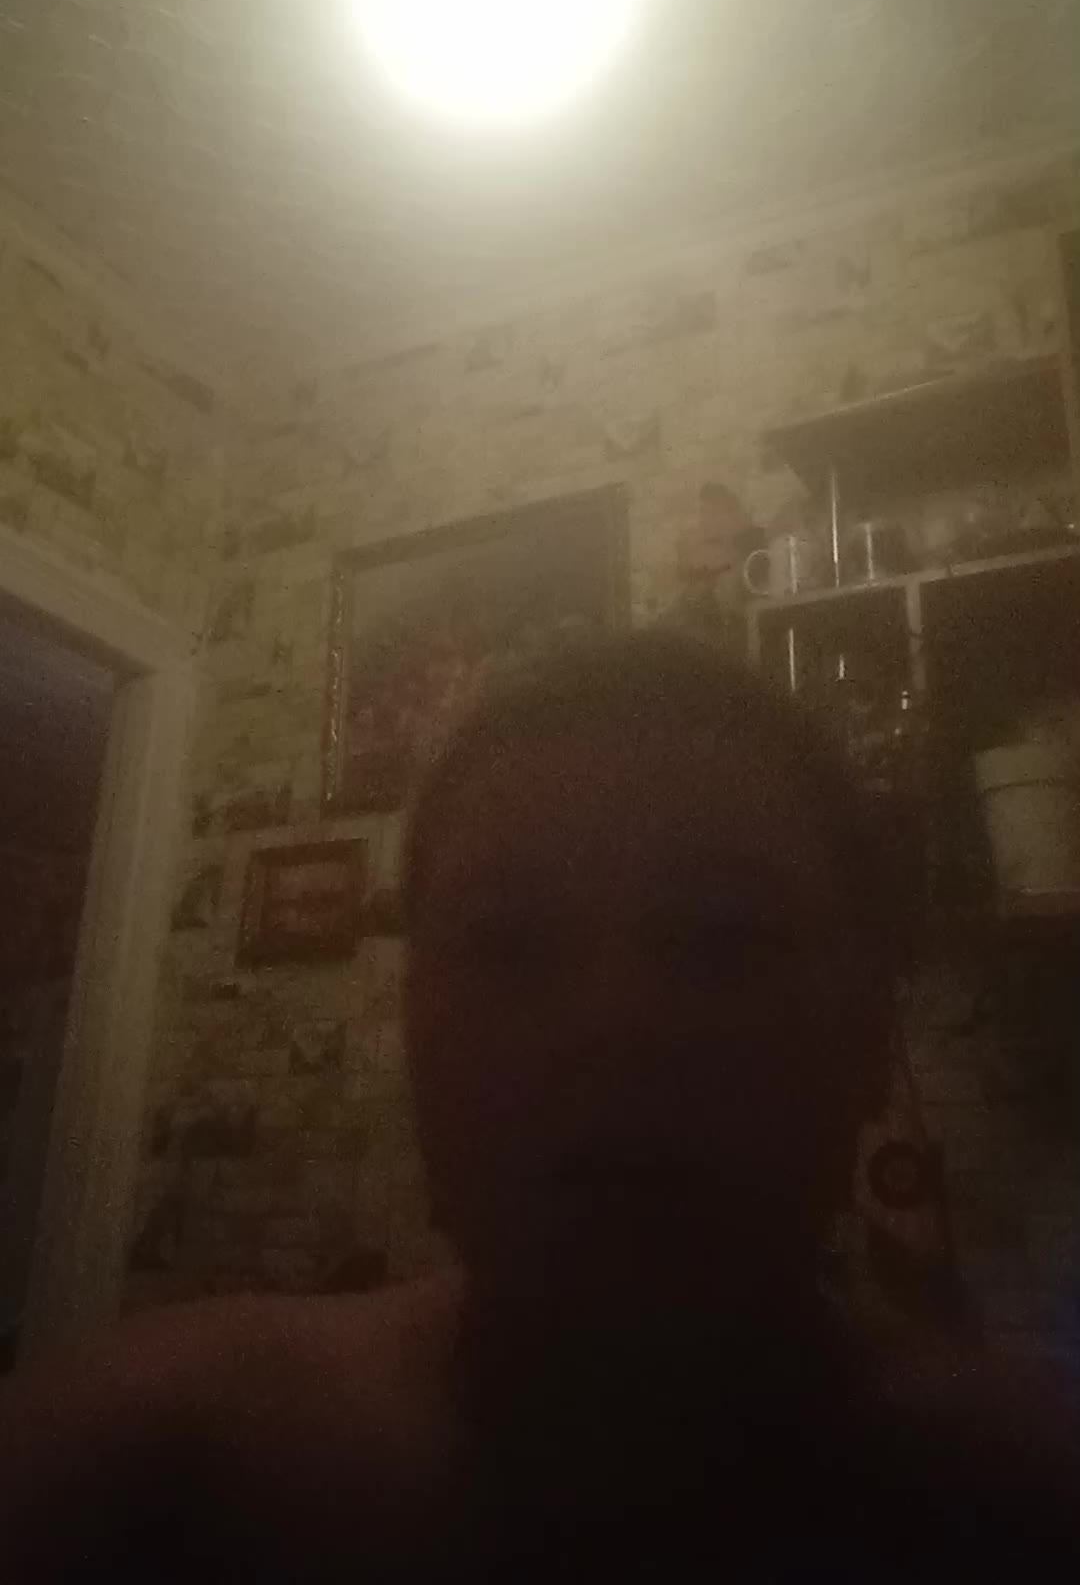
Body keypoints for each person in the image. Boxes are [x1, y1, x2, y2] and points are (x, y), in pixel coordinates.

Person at [0, 631, 1076, 1577]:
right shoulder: (151, 1454)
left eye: (724, 940)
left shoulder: (1025, 1498)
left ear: (869, 1032)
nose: (614, 1028)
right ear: (409, 1017)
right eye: (507, 942)